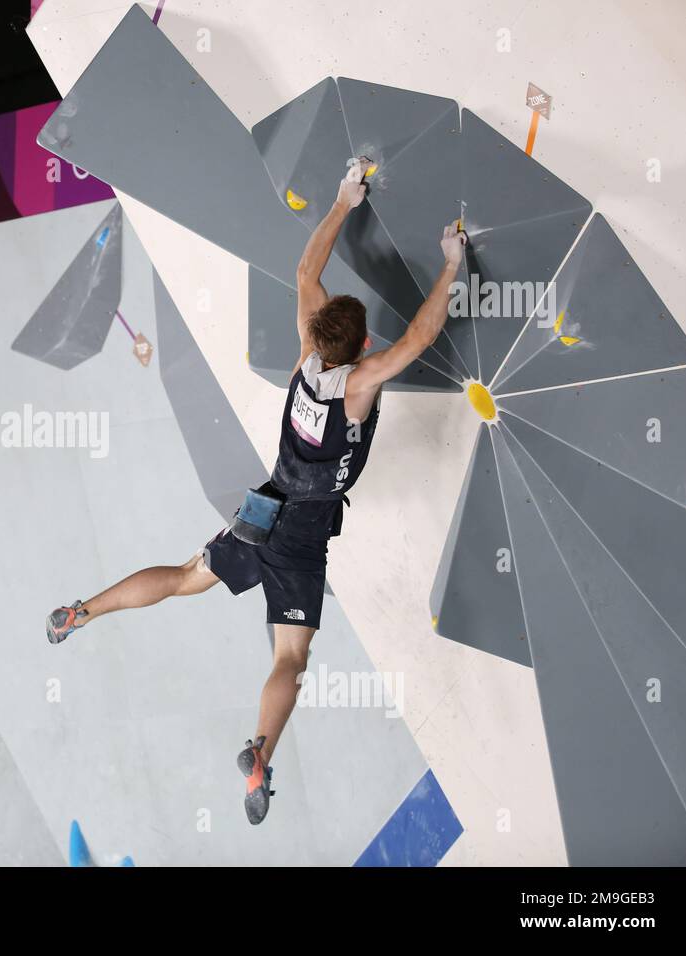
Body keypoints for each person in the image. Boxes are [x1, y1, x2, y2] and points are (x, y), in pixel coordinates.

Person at [45, 158, 467, 824]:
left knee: (189, 575)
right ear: (358, 344)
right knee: (290, 655)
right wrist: (451, 264)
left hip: (262, 504)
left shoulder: (308, 352)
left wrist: (341, 201)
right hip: (299, 533)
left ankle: (84, 611)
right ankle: (260, 751)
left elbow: (306, 275)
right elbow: (421, 334)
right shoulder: (358, 387)